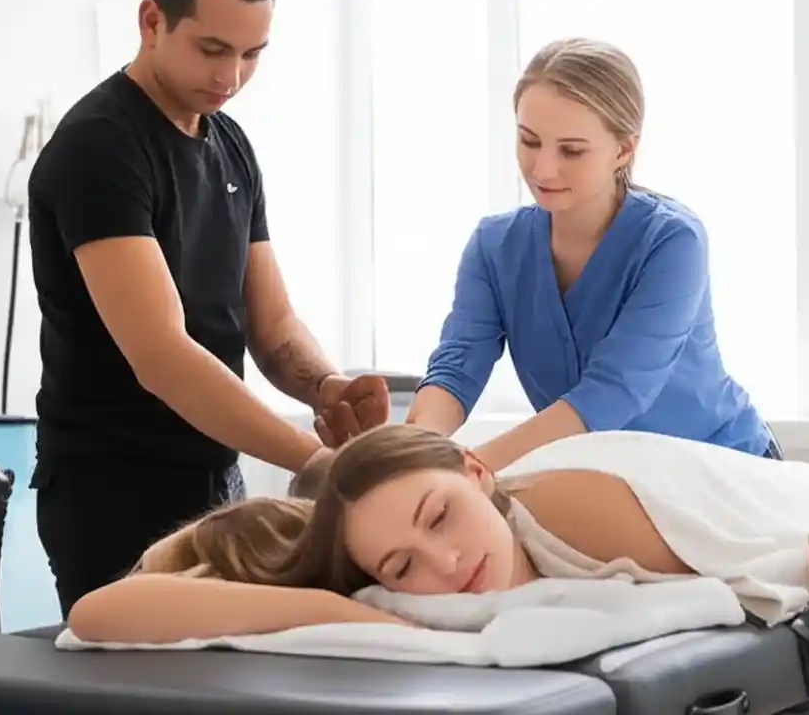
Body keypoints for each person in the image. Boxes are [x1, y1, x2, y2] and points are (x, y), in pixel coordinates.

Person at [67, 425, 809, 684]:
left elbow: (762, 547)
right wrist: (347, 609)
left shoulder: (572, 511)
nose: (441, 569)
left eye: (440, 516)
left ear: (477, 472)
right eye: (398, 572)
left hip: (675, 479)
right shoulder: (379, 592)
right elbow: (99, 614)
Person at [25, 0, 387, 619]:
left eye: (252, 55)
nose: (232, 77)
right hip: (111, 492)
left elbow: (271, 328)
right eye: (213, 50)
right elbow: (162, 357)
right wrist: (316, 463)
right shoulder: (100, 148)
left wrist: (325, 388)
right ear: (151, 21)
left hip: (216, 482)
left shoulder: (231, 145)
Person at [317, 37, 776, 473]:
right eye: (529, 141)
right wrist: (412, 450)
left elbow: (613, 392)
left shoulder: (673, 242)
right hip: (609, 483)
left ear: (624, 147)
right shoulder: (495, 247)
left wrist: (466, 466)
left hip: (724, 468)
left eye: (571, 150)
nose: (543, 168)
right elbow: (457, 367)